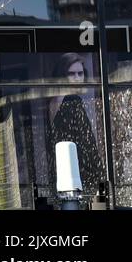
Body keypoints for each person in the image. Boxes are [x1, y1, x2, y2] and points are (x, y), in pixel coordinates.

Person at [48, 53, 103, 195]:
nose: (78, 78)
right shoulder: (72, 100)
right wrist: (100, 175)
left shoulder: (54, 101)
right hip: (78, 174)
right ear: (62, 75)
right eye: (71, 74)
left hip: (62, 172)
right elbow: (86, 142)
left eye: (80, 73)